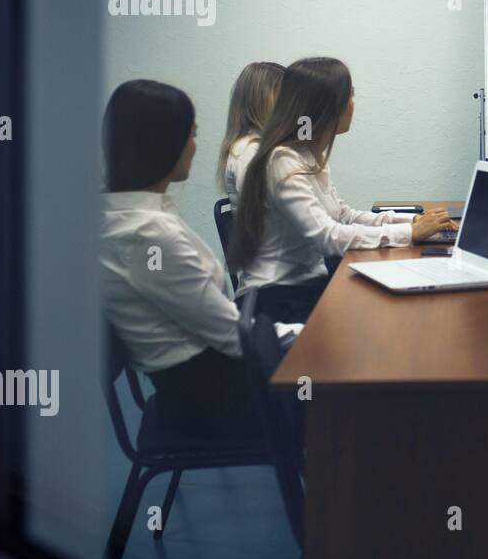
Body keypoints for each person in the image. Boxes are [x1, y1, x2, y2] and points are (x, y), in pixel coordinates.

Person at [99, 80, 296, 436]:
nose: (195, 145)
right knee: (350, 391)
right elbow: (235, 337)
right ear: (165, 144)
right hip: (212, 395)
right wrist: (307, 336)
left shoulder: (121, 216)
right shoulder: (148, 236)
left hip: (194, 382)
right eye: (191, 134)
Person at [230, 57, 455, 323]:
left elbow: (343, 216)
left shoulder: (307, 156)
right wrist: (409, 232)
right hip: (276, 300)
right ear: (329, 107)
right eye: (351, 95)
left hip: (305, 288)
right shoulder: (282, 161)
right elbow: (327, 236)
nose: (353, 104)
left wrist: (413, 222)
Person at [218, 61, 284, 207]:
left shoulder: (263, 146)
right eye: (284, 96)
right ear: (262, 101)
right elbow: (267, 210)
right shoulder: (248, 151)